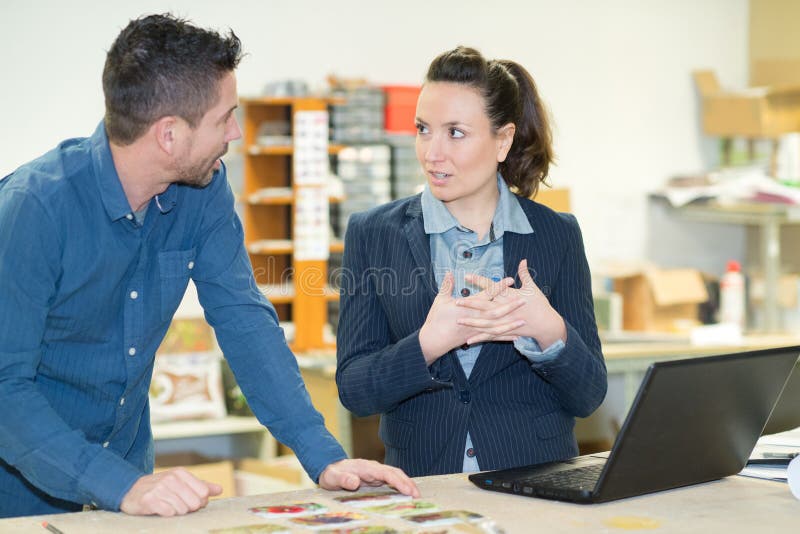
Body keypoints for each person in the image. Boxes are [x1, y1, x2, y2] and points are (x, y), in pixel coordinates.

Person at [0, 14, 418, 519]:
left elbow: (244, 320)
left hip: (133, 489)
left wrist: (323, 456)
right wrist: (119, 484)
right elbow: (6, 389)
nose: (236, 133)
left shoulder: (203, 191)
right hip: (24, 493)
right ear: (169, 134)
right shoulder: (34, 210)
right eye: (226, 118)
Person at [336, 46, 607, 477]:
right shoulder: (372, 234)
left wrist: (548, 331)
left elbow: (589, 395)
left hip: (535, 483)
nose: (432, 152)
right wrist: (428, 343)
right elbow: (354, 390)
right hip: (424, 487)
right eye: (423, 129)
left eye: (455, 133)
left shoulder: (557, 234)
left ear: (503, 140)